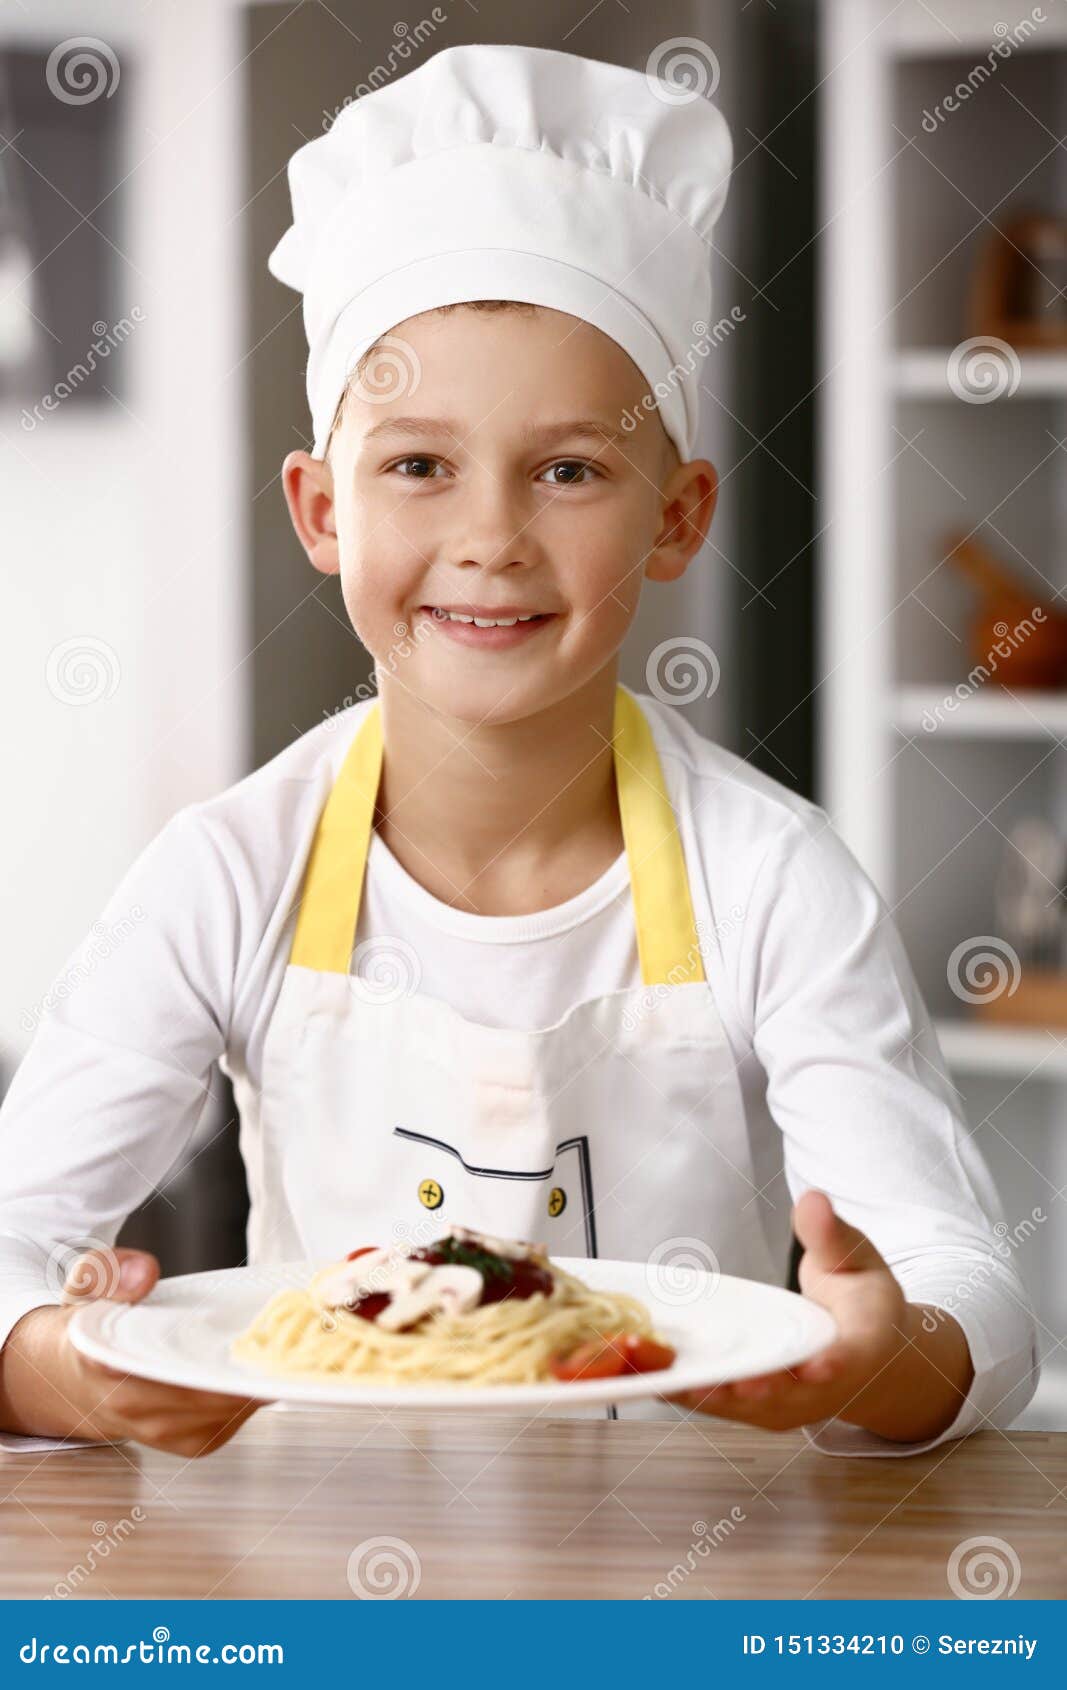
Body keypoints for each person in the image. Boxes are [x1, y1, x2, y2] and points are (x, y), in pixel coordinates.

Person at [0, 44, 1038, 1459]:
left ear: (676, 515)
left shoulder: (773, 877)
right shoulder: (225, 875)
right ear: (321, 509)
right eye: (419, 464)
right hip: (325, 1605)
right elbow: (14, 1248)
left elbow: (972, 1295)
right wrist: (80, 1369)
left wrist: (870, 1357)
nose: (490, 536)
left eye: (569, 468)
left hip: (688, 1605)